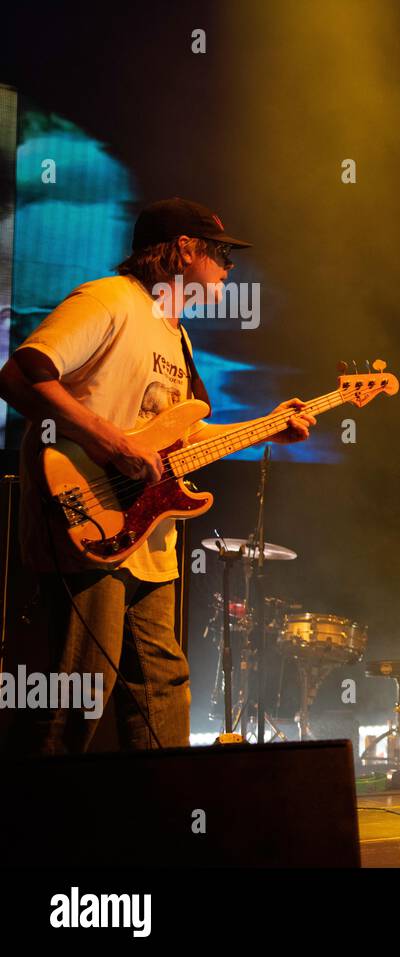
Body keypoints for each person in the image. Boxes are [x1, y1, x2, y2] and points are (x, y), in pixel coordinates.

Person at [0, 197, 315, 754]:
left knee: (162, 691)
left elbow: (181, 441)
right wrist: (108, 440)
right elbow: (21, 373)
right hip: (88, 524)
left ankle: (167, 823)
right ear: (184, 251)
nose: (229, 268)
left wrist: (267, 427)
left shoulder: (179, 337)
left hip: (149, 542)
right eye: (220, 254)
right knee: (76, 697)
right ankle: (35, 831)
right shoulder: (109, 300)